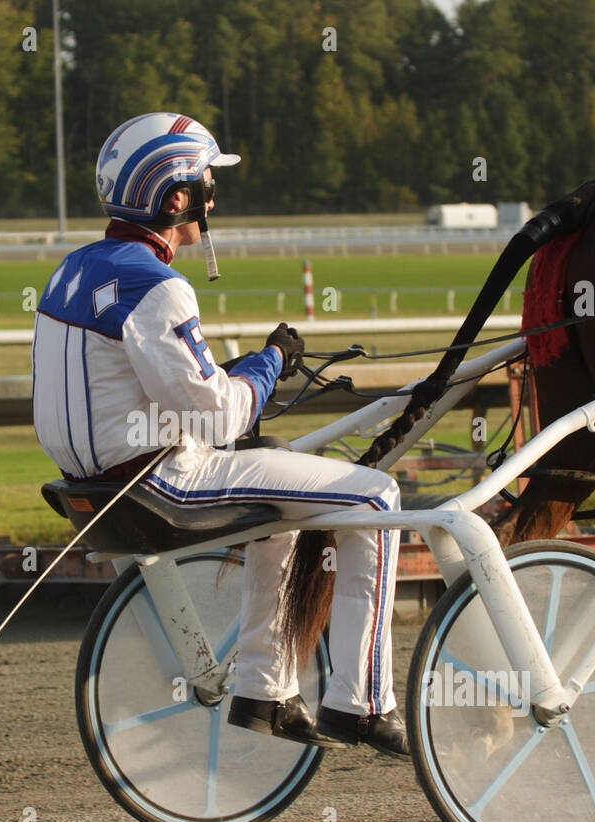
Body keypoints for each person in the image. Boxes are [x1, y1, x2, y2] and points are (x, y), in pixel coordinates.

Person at [32, 112, 406, 756]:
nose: (212, 190)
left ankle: (265, 690)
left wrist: (238, 375)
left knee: (281, 489)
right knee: (377, 498)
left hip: (97, 479)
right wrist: (270, 363)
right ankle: (361, 702)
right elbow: (219, 417)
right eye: (206, 178)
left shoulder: (76, 268)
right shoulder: (157, 285)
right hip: (163, 484)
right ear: (176, 197)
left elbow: (141, 383)